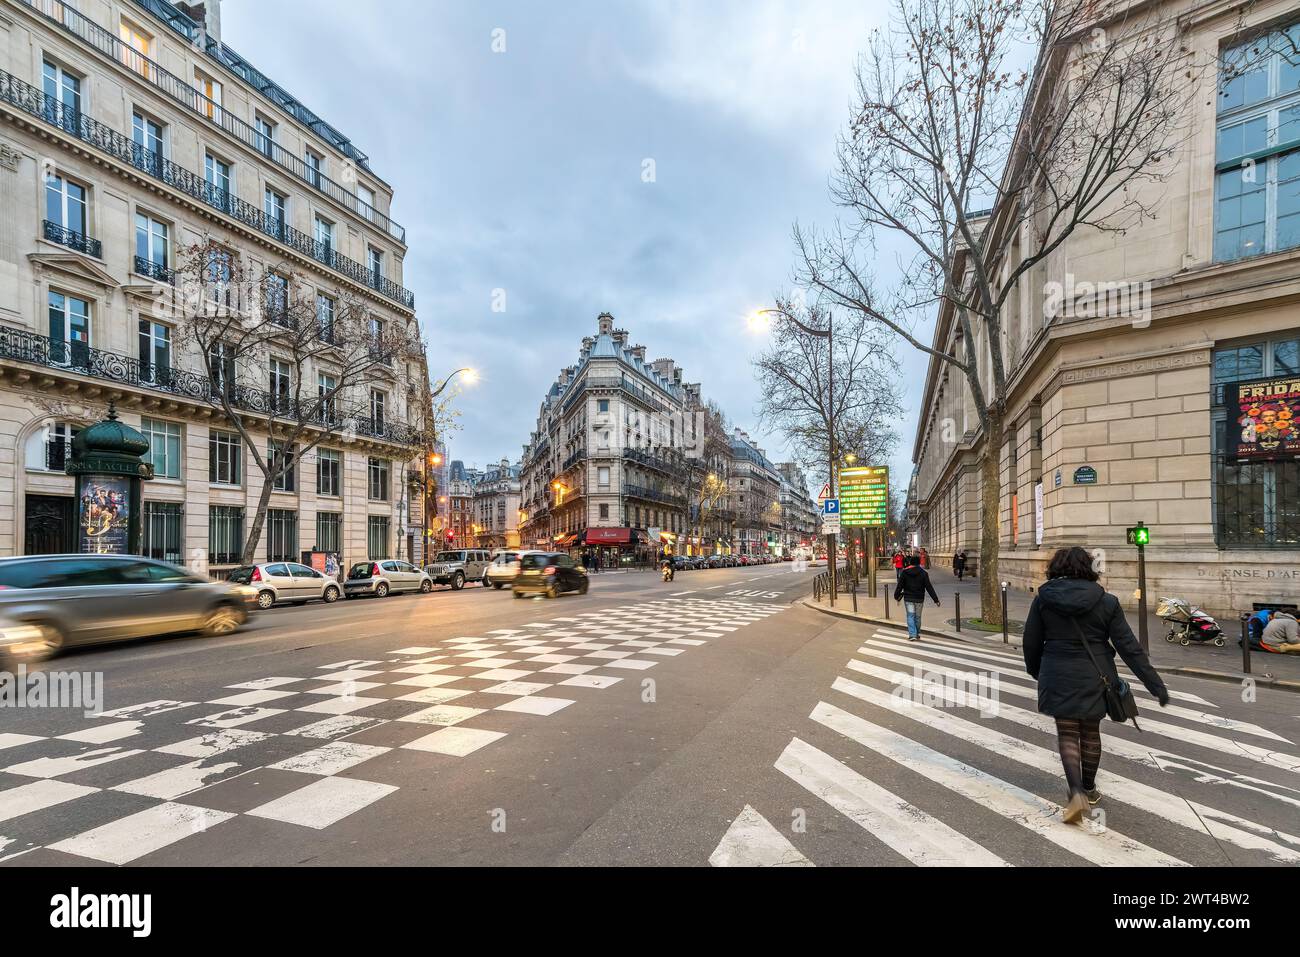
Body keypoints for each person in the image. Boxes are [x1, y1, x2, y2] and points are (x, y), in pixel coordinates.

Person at [1022, 546, 1169, 825]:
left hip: (1058, 670)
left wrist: (1036, 671)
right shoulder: (1107, 601)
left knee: (1067, 733)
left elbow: (1031, 642)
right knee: (1090, 731)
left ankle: (1075, 792)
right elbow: (1128, 647)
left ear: (1056, 568)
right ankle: (1088, 789)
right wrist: (1155, 685)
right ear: (1088, 568)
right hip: (1096, 673)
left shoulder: (1044, 598)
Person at [894, 554, 939, 641]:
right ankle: (917, 633)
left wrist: (896, 596)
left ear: (910, 562)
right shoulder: (924, 573)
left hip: (908, 598)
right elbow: (929, 587)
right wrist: (936, 600)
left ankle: (912, 634)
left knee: (910, 616)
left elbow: (899, 586)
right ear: (918, 563)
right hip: (919, 598)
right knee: (918, 617)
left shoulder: (904, 572)